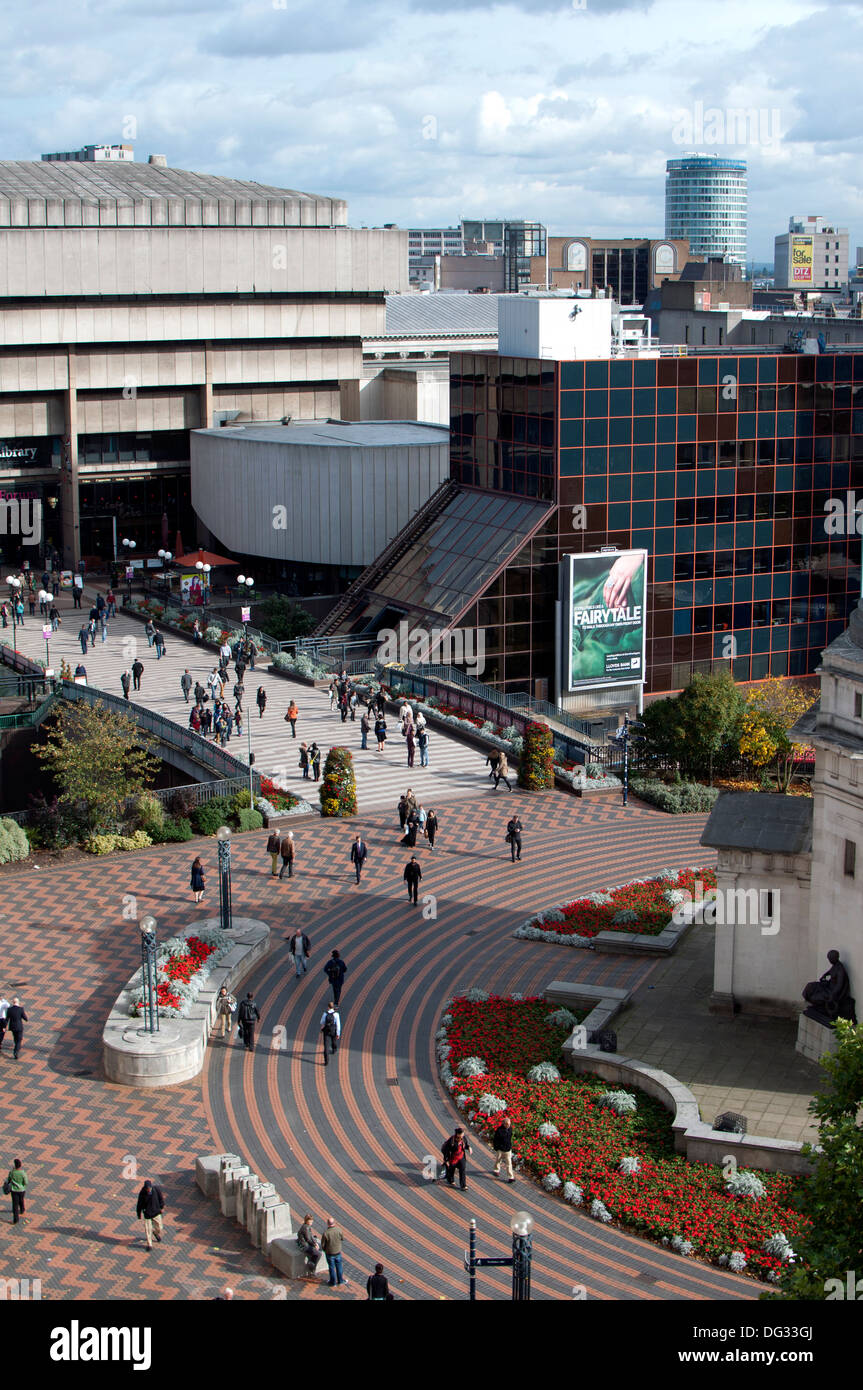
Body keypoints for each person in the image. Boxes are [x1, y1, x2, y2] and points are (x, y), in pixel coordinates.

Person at [136, 1179, 166, 1250]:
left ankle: (155, 1233)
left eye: (149, 1188)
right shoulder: (142, 1193)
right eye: (147, 1189)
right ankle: (149, 1245)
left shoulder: (156, 1190)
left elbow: (161, 1199)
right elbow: (139, 1204)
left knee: (159, 1227)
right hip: (147, 1214)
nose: (148, 1190)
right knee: (148, 1229)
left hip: (156, 1212)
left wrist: (162, 1207)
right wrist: (139, 1214)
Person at [441, 1126, 471, 1191]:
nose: (463, 1135)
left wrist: (469, 1148)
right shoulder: (451, 1141)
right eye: (462, 1134)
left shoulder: (463, 1138)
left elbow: (465, 1145)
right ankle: (450, 1179)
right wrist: (446, 1160)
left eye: (463, 1134)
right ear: (458, 1134)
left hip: (461, 1157)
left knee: (462, 1170)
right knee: (451, 1169)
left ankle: (463, 1185)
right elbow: (446, 1150)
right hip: (453, 1158)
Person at [321, 1217, 347, 1286]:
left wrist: (325, 1250)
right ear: (334, 1223)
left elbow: (323, 1245)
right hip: (338, 1252)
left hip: (329, 1253)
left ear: (328, 1224)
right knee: (339, 1266)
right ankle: (340, 1281)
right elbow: (342, 1238)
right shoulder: (339, 1230)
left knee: (331, 1268)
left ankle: (332, 1282)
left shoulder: (326, 1233)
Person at [492, 1114, 516, 1182]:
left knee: (509, 1163)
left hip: (507, 1149)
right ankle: (496, 1170)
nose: (509, 1125)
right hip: (500, 1149)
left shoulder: (510, 1129)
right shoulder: (499, 1130)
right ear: (504, 1124)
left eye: (509, 1124)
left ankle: (511, 1177)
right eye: (507, 1124)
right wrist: (496, 1147)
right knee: (498, 1160)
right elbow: (495, 1139)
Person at [6, 1158, 28, 1224]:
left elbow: (9, 1180)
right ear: (20, 1165)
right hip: (22, 1190)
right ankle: (22, 1210)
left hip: (14, 1190)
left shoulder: (12, 1172)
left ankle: (16, 1220)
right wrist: (23, 1185)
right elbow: (26, 1182)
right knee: (21, 1200)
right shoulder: (23, 1173)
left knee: (15, 1205)